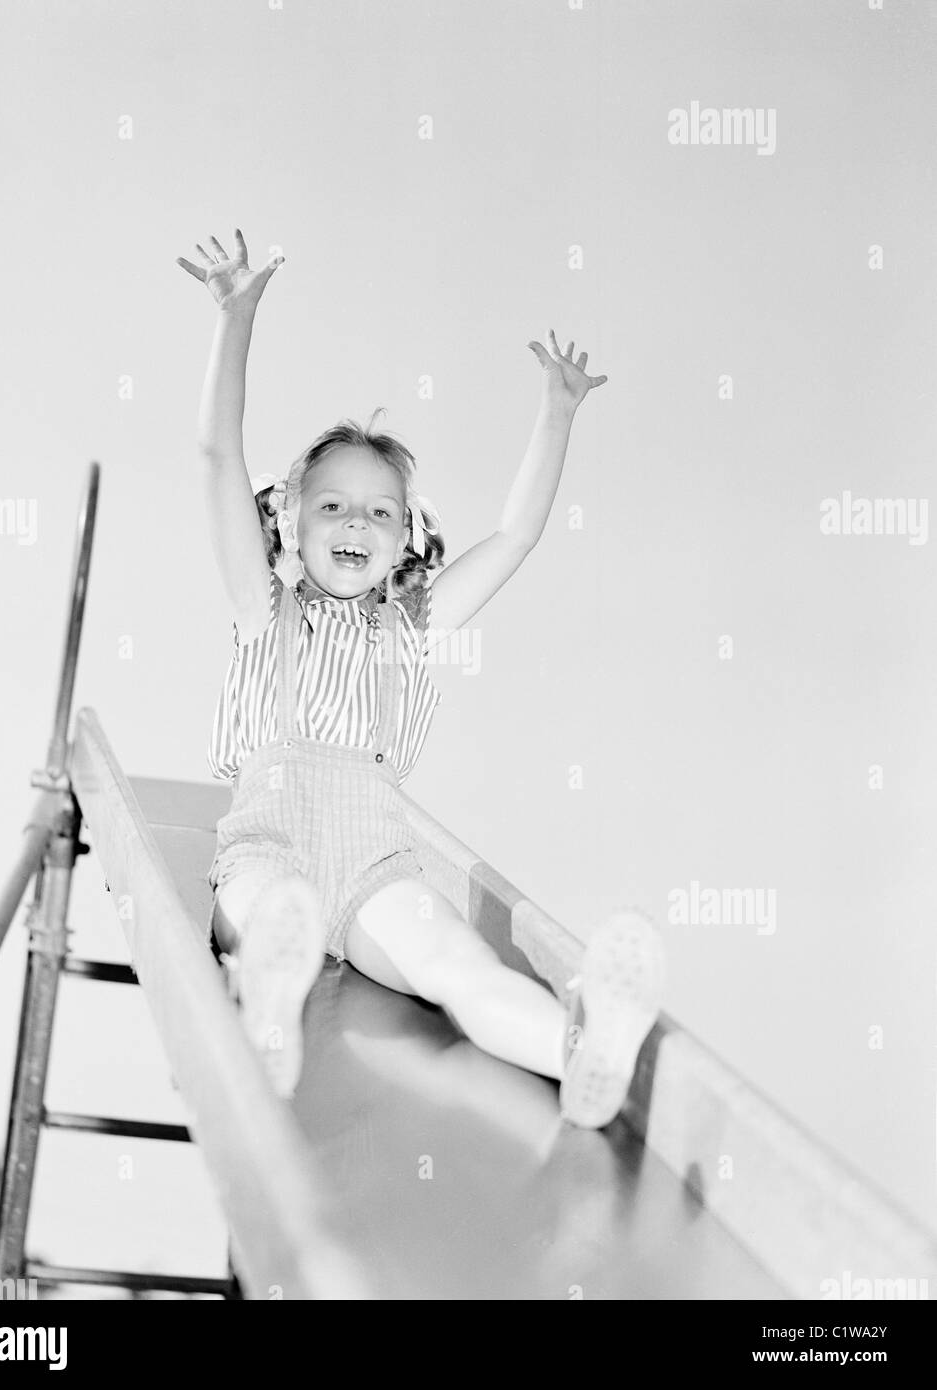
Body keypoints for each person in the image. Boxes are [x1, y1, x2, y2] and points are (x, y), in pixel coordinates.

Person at [176, 227, 664, 1125]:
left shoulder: (413, 632)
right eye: (330, 505)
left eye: (378, 511)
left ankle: (582, 1051)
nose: (354, 522)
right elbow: (216, 456)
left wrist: (557, 410)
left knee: (453, 966)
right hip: (269, 844)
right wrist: (234, 320)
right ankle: (269, 1014)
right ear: (285, 523)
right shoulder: (264, 609)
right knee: (268, 909)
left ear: (404, 539)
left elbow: (515, 535)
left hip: (374, 863)